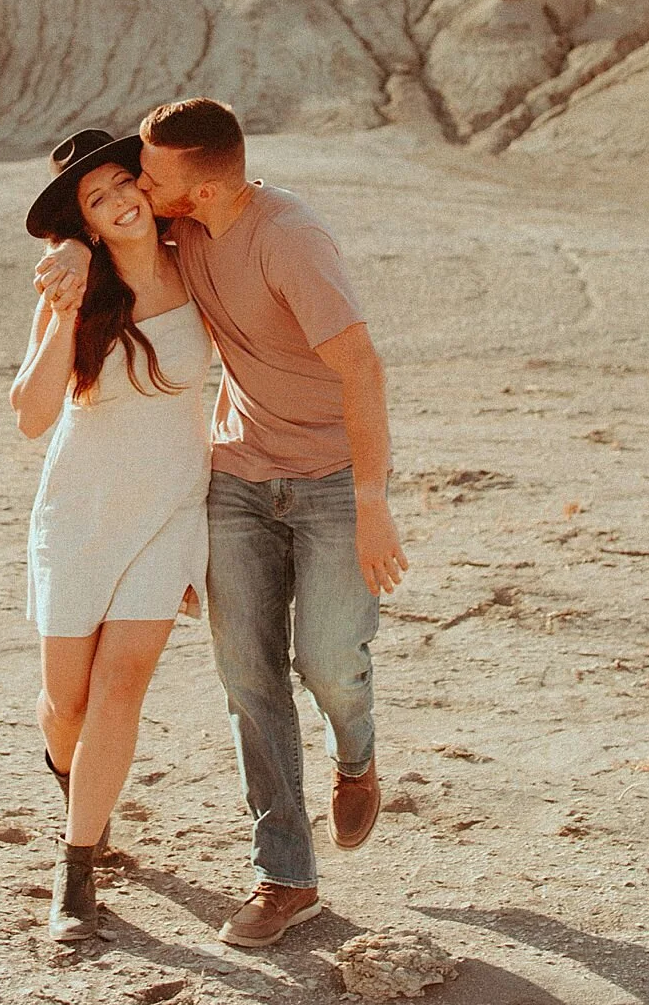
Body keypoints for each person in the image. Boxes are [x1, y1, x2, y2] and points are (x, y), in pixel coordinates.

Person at [36, 98, 407, 949]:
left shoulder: (290, 240)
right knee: (247, 678)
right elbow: (100, 236)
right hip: (235, 475)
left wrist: (373, 500)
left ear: (196, 190)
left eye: (152, 175)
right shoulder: (182, 232)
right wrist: (64, 240)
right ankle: (285, 877)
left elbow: (362, 367)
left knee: (327, 661)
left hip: (329, 479)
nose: (141, 185)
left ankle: (357, 759)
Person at [11, 127, 211, 944]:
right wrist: (67, 304)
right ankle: (73, 779)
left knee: (122, 686)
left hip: (170, 511)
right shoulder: (70, 290)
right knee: (68, 708)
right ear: (84, 223)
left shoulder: (197, 263)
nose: (120, 201)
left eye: (126, 182)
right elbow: (30, 418)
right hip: (81, 516)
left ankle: (76, 865)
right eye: (96, 199)